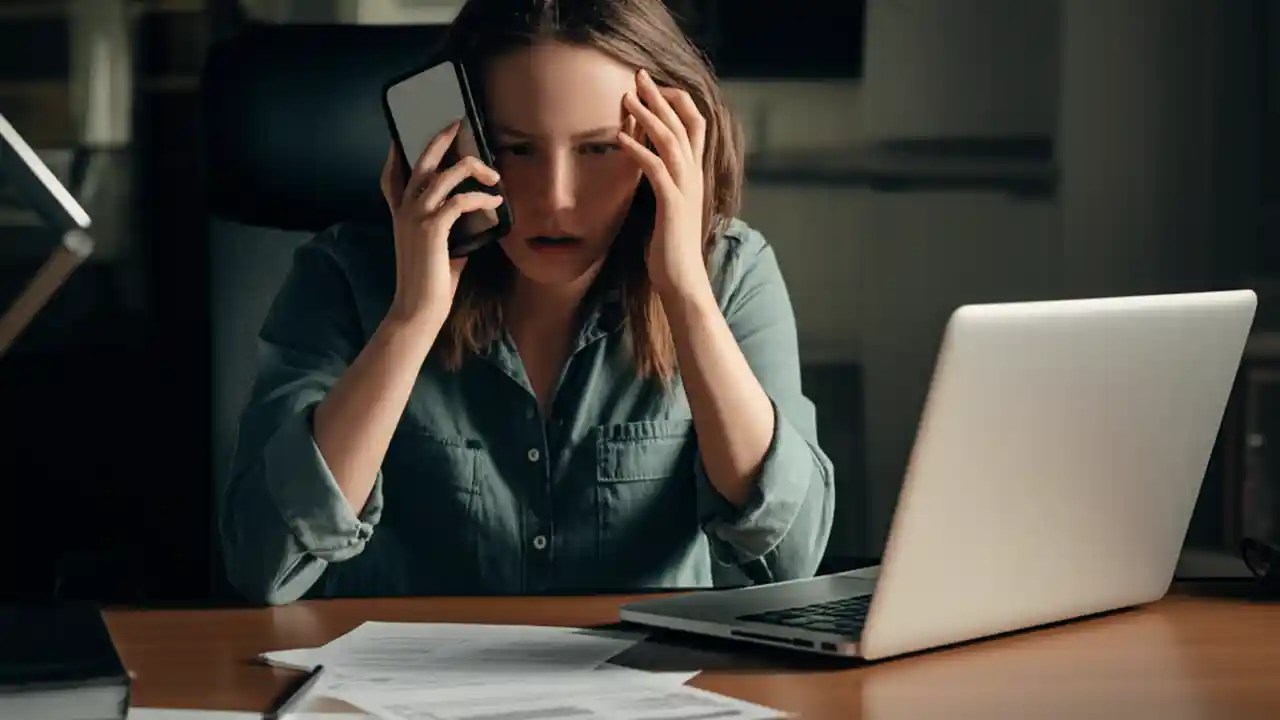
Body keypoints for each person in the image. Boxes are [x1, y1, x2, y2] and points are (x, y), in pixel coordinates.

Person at [220, 0, 835, 605]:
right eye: (518, 149)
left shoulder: (729, 274)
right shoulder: (345, 278)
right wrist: (412, 318)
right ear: (459, 138)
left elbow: (788, 557)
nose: (556, 197)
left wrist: (687, 294)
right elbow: (263, 562)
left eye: (599, 149)